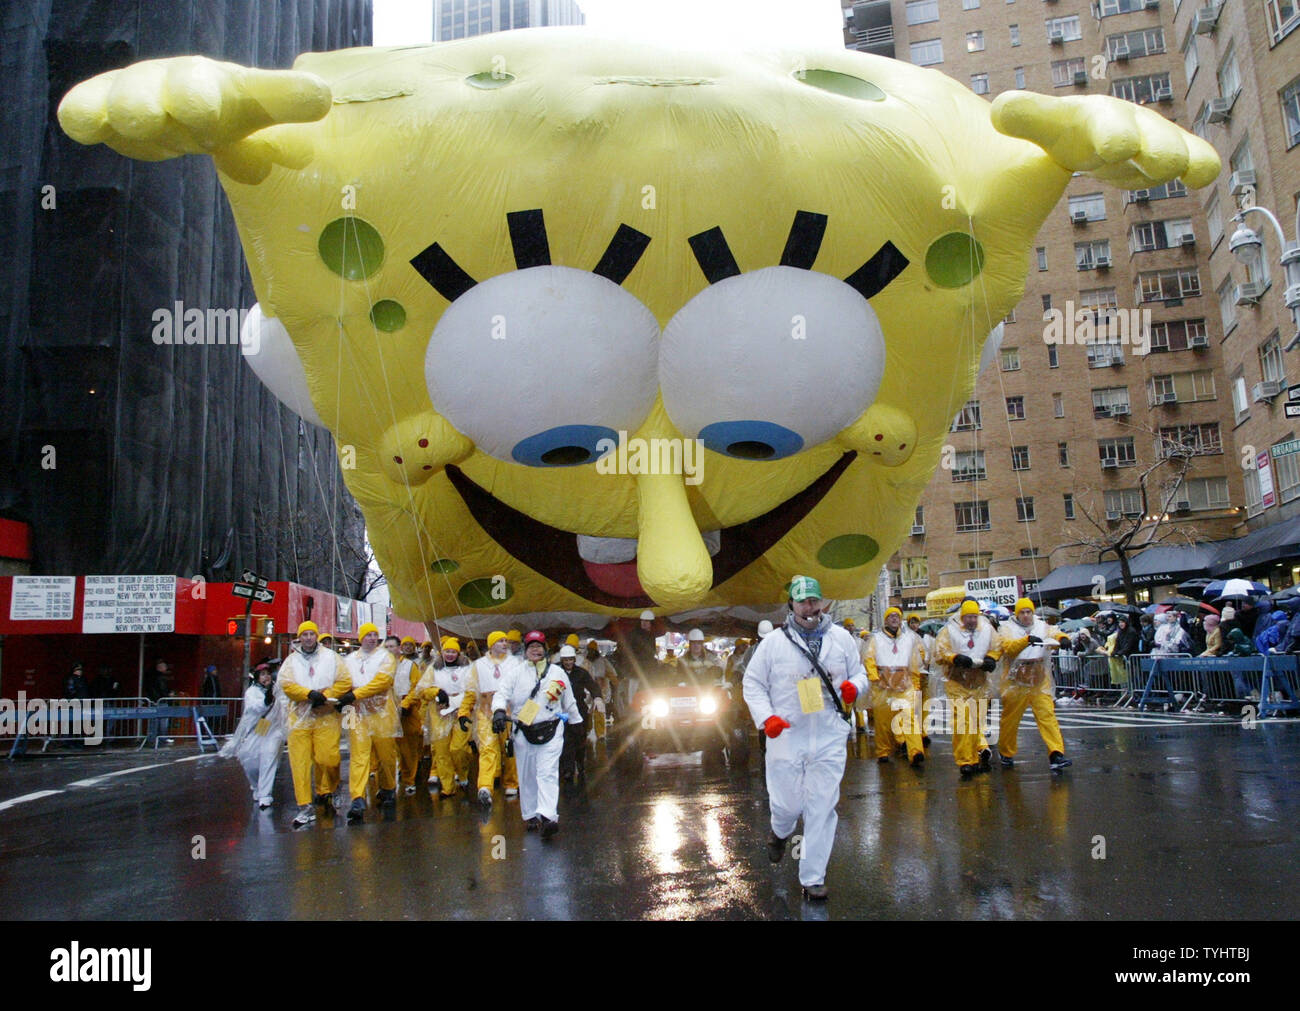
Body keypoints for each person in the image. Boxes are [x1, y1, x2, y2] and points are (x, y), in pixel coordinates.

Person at [742, 575, 869, 901]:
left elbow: (860, 674)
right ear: (792, 605)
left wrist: (855, 687)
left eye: (814, 600)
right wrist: (766, 717)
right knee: (787, 805)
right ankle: (780, 832)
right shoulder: (773, 643)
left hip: (829, 734)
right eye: (803, 601)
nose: (809, 607)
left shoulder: (842, 639)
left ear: (822, 602)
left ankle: (813, 878)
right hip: (787, 735)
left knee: (822, 807)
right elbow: (752, 684)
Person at [492, 630, 581, 838]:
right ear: (525, 649)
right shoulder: (515, 672)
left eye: (539, 646)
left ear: (545, 650)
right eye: (531, 646)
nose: (535, 649)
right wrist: (497, 710)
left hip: (551, 727)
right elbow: (501, 692)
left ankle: (548, 815)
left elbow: (569, 700)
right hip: (523, 730)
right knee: (527, 774)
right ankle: (530, 814)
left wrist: (577, 722)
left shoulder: (557, 673)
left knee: (547, 772)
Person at [279, 621, 350, 827]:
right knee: (299, 763)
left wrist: (326, 696)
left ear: (317, 636)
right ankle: (305, 807)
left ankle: (334, 786)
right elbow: (285, 684)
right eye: (305, 634)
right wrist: (308, 694)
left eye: (312, 634)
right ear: (299, 637)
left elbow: (344, 680)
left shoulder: (331, 657)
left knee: (327, 757)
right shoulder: (291, 661)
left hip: (325, 715)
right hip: (299, 717)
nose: (308, 638)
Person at [996, 599, 1071, 771]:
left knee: (1047, 716)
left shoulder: (1041, 625)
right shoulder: (1007, 628)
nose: (1026, 615)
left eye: (1028, 612)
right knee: (1010, 719)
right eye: (1022, 612)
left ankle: (1056, 753)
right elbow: (1008, 647)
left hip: (1038, 679)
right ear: (1017, 614)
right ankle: (1006, 751)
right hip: (1016, 680)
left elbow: (1054, 632)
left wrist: (1063, 638)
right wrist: (1026, 640)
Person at [340, 622, 401, 823]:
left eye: (375, 635)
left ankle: (388, 787)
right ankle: (357, 797)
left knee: (386, 755)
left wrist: (355, 694)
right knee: (359, 755)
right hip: (356, 713)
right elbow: (342, 683)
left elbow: (382, 681)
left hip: (382, 712)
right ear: (361, 638)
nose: (373, 638)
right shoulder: (349, 660)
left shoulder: (386, 657)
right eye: (369, 635)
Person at [934, 600, 1002, 778]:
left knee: (976, 722)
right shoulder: (950, 630)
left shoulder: (987, 629)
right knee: (962, 722)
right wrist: (955, 658)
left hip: (979, 683)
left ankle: (974, 755)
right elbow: (940, 652)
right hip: (957, 682)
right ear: (962, 617)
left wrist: (991, 659)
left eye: (974, 616)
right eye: (968, 617)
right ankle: (966, 761)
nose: (972, 620)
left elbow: (997, 647)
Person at [459, 631, 521, 807]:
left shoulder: (515, 663)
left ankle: (511, 783)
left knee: (509, 748)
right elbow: (471, 692)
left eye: (505, 641)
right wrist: (464, 712)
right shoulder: (478, 665)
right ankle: (485, 787)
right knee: (487, 749)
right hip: (485, 713)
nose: (504, 644)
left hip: (508, 712)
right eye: (500, 641)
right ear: (491, 644)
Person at [404, 637, 473, 797]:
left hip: (460, 711)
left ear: (458, 653)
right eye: (447, 651)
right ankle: (448, 787)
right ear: (442, 653)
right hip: (439, 712)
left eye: (453, 651)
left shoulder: (467, 668)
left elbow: (472, 689)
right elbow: (421, 690)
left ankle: (463, 776)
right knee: (441, 752)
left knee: (458, 748)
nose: (450, 654)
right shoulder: (433, 668)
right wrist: (436, 692)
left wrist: (463, 706)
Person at [863, 607, 925, 766]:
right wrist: (875, 678)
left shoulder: (909, 639)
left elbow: (914, 662)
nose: (894, 619)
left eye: (896, 616)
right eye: (890, 616)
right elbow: (868, 659)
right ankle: (883, 751)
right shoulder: (876, 639)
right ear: (885, 620)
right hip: (882, 687)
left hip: (904, 686)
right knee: (883, 722)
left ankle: (915, 751)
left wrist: (915, 683)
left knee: (909, 718)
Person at [221, 664, 286, 808]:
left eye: (268, 674)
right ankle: (257, 788)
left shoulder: (278, 690)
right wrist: (266, 701)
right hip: (259, 729)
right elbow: (255, 707)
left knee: (268, 759)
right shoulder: (252, 692)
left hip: (274, 731)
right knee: (250, 761)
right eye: (262, 674)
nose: (266, 677)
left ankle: (265, 795)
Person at [556, 645, 602, 788]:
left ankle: (580, 762)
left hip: (579, 710)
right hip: (562, 711)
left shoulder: (581, 673)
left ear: (574, 659)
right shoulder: (556, 672)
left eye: (571, 659)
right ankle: (568, 769)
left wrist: (598, 698)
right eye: (566, 660)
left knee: (580, 737)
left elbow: (593, 686)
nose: (568, 662)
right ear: (562, 660)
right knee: (566, 739)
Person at [394, 637, 425, 795]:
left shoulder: (410, 665)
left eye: (409, 645)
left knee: (409, 745)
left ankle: (409, 778)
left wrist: (406, 704)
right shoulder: (383, 665)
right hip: (389, 709)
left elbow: (417, 687)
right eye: (404, 645)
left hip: (408, 709)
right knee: (392, 745)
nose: (406, 647)